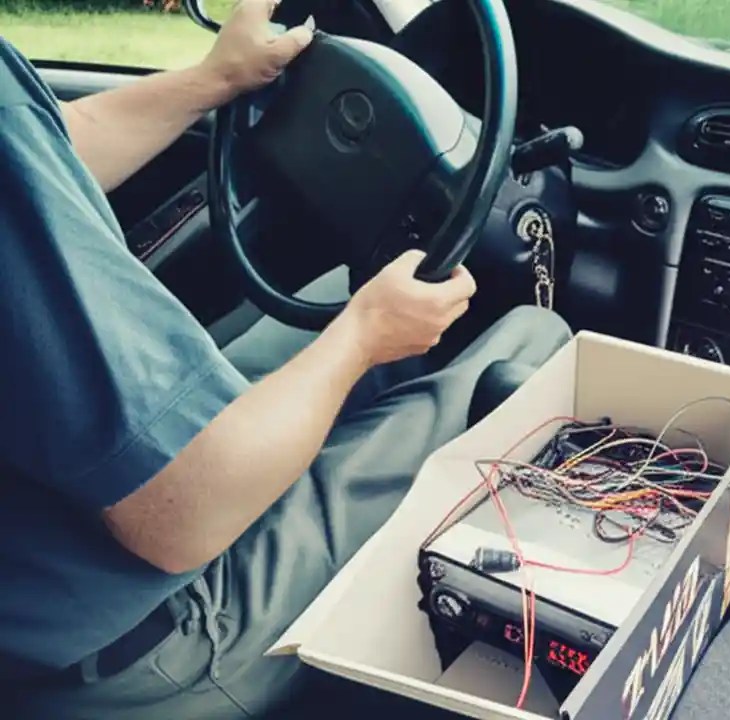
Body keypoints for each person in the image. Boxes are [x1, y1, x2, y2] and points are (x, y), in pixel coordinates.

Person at [0, 1, 571, 718]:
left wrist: (214, 80)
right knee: (530, 343)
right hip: (138, 645)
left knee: (335, 309)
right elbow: (182, 515)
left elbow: (52, 148)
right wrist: (363, 335)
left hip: (39, 590)